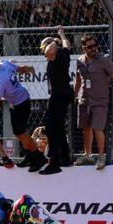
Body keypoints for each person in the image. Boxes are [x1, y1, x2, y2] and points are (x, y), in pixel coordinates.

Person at [73, 34, 113, 170]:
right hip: (84, 98)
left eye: (95, 45)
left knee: (97, 128)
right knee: (86, 128)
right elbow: (78, 80)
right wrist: (74, 95)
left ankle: (101, 156)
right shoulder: (79, 61)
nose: (94, 49)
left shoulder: (103, 60)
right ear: (84, 48)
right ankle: (87, 154)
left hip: (100, 100)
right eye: (90, 47)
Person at [0, 54, 47, 172]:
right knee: (19, 133)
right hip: (20, 101)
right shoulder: (5, 63)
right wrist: (28, 69)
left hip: (20, 104)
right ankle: (30, 156)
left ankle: (38, 157)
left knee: (20, 133)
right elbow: (19, 69)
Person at [38, 26, 73, 175]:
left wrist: (55, 41)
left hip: (58, 95)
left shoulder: (55, 54)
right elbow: (67, 45)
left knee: (51, 128)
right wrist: (62, 35)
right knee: (58, 127)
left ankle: (54, 162)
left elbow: (49, 51)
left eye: (43, 47)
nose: (43, 51)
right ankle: (64, 157)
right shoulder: (64, 53)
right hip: (63, 94)